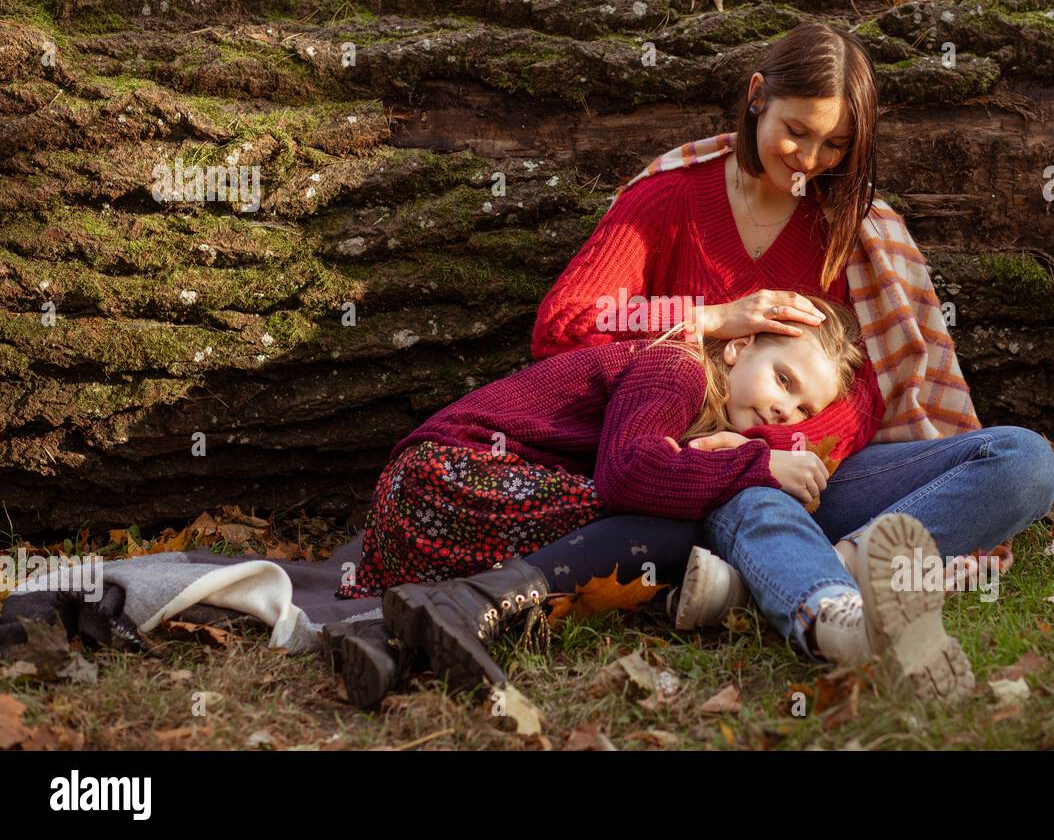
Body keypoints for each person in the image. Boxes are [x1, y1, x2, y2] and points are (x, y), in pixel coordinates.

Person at [325, 20, 1054, 707]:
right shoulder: (671, 200)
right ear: (756, 97)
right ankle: (825, 603)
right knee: (735, 497)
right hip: (690, 473)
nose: (809, 161)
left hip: (804, 467)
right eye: (797, 132)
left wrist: (773, 444)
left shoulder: (845, 230)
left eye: (834, 147)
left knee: (1022, 462)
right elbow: (563, 327)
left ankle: (820, 569)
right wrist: (704, 321)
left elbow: (860, 393)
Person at [326, 294, 892, 709]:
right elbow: (629, 475)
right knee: (670, 522)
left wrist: (721, 457)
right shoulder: (676, 368)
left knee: (663, 514)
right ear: (737, 349)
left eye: (800, 411)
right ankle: (460, 607)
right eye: (784, 380)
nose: (782, 413)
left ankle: (388, 641)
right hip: (448, 478)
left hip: (429, 512)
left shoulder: (697, 406)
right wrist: (755, 463)